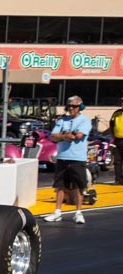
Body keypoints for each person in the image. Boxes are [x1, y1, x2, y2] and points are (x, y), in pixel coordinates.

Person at [44, 96, 91, 224]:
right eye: (69, 106)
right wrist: (65, 135)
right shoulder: (62, 120)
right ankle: (57, 211)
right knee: (59, 186)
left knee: (78, 186)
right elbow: (53, 136)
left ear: (79, 107)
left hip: (77, 157)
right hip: (62, 156)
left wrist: (62, 136)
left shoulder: (84, 121)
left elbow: (77, 136)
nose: (71, 108)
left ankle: (78, 212)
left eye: (74, 106)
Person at [110, 96, 123, 185]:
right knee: (117, 160)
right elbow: (111, 125)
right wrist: (113, 136)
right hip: (118, 140)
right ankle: (118, 179)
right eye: (121, 102)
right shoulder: (116, 113)